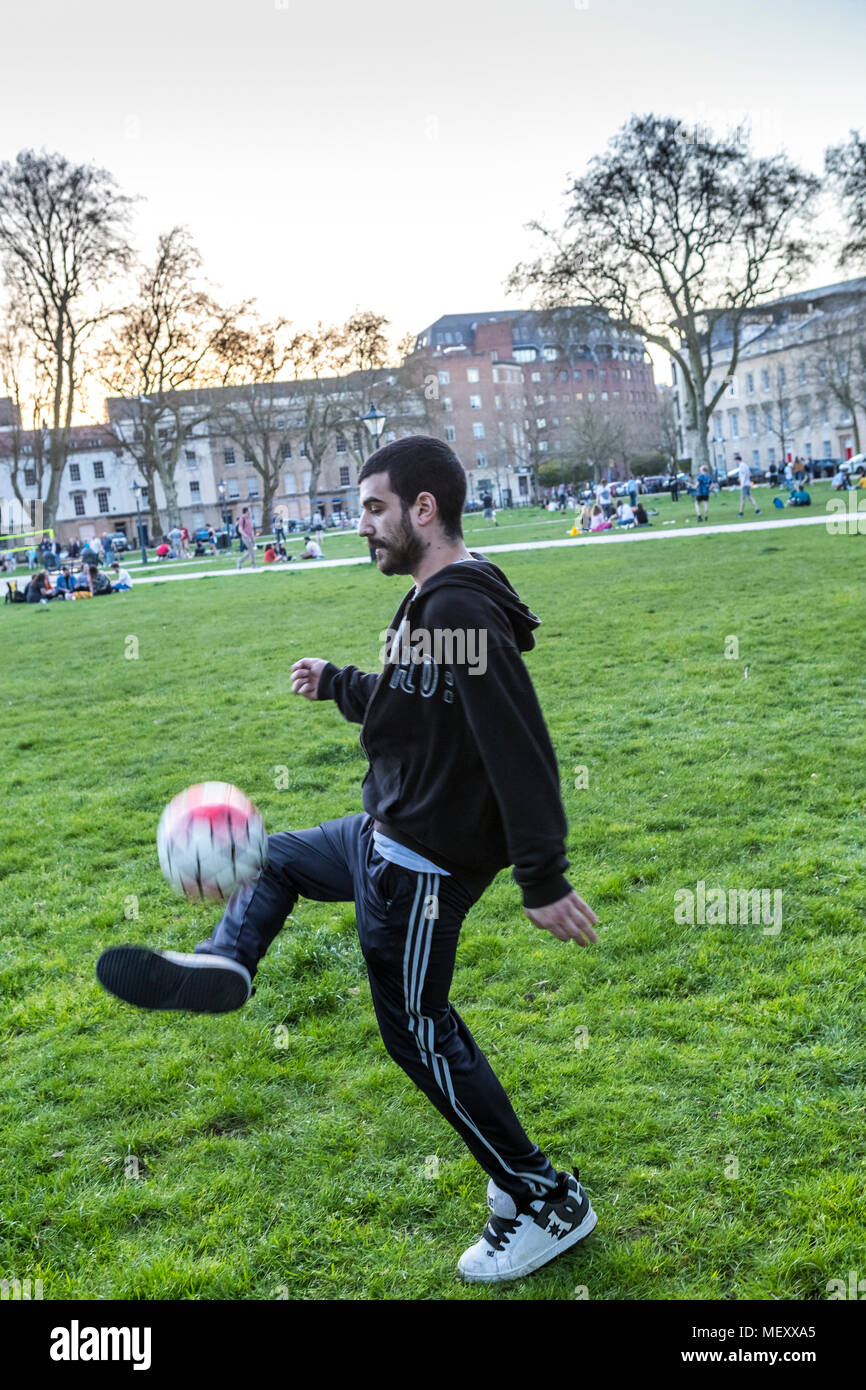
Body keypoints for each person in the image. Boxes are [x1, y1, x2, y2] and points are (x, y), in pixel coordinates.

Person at [96, 433, 600, 1286]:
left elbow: (518, 743)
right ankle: (225, 962)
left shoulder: (458, 609)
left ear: (422, 509)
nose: (361, 524)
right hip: (381, 830)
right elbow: (417, 706)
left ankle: (546, 1197)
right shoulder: (432, 602)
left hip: (421, 867)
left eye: (373, 508)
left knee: (420, 1035)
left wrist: (541, 876)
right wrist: (341, 682)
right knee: (280, 859)